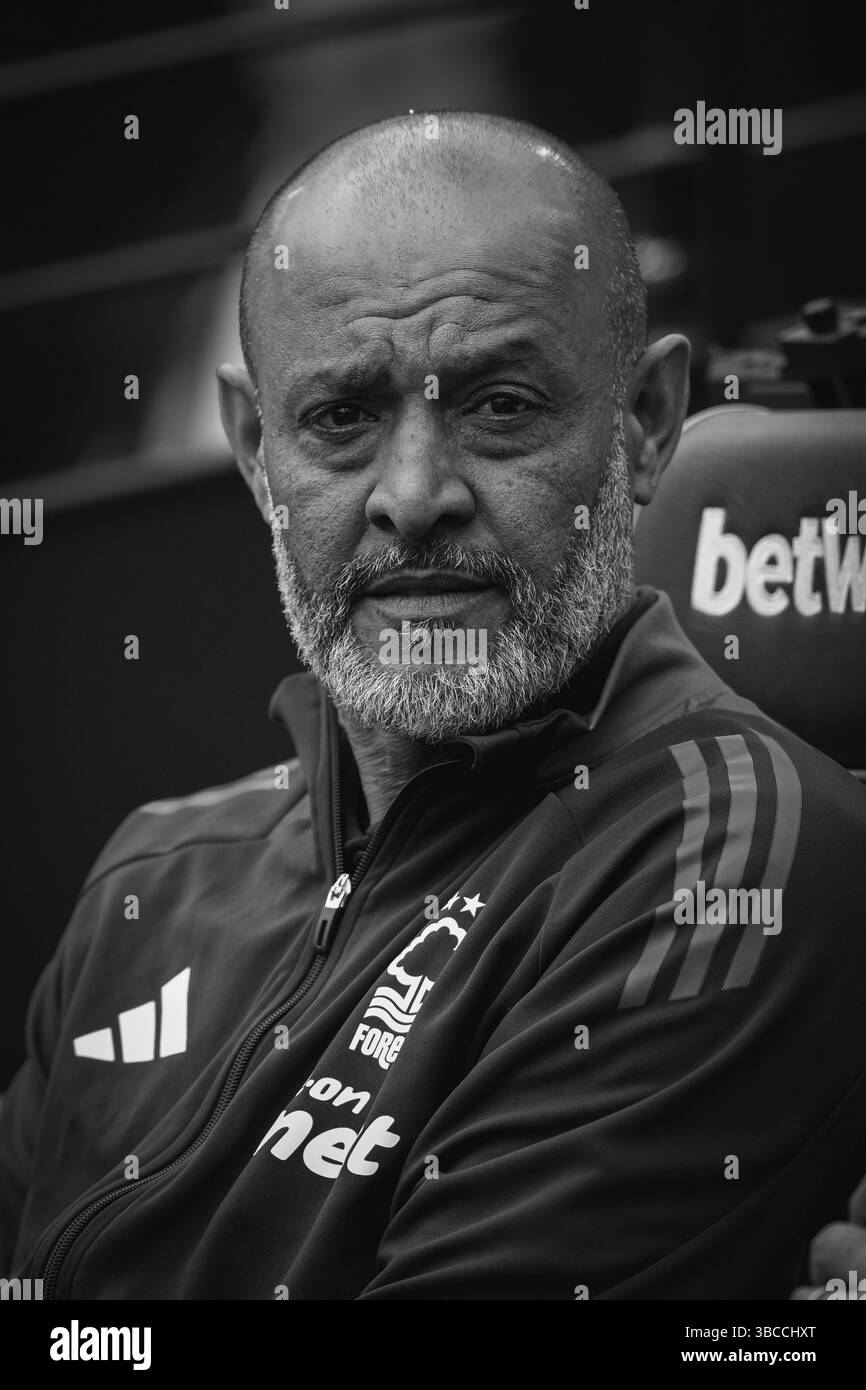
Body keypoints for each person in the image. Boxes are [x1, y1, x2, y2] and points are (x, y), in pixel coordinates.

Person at [2, 111, 866, 1301]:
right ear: (257, 450)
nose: (412, 497)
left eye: (498, 405)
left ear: (645, 424)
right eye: (342, 418)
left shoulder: (735, 861)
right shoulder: (154, 871)